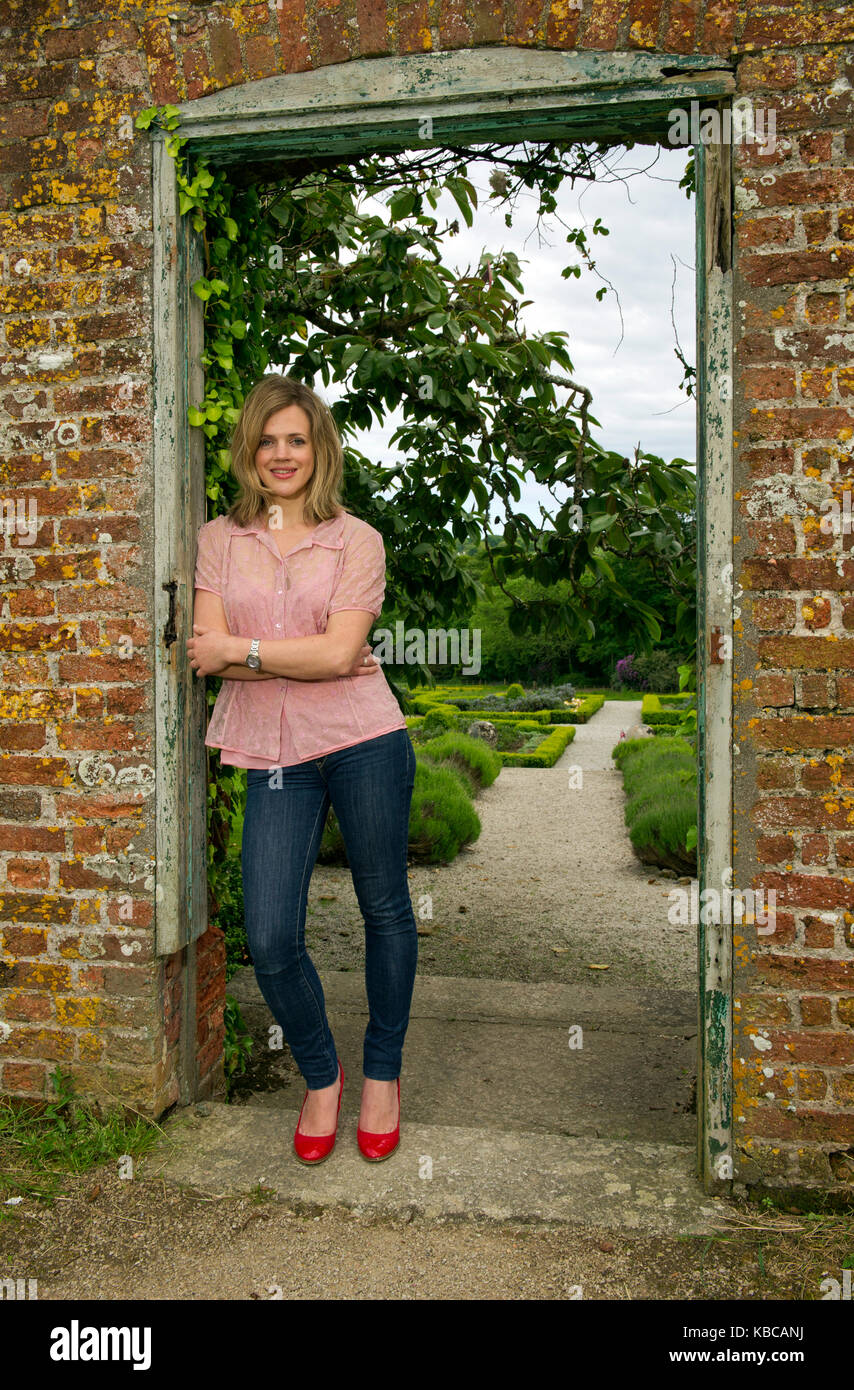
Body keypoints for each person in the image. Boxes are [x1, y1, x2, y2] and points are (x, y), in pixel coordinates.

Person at [187, 373, 418, 1164]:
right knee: (269, 934)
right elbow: (209, 656)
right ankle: (323, 1076)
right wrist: (289, 655)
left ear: (320, 449)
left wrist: (246, 649)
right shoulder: (218, 540)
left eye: (297, 439)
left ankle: (382, 1072)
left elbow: (340, 655)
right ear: (248, 450)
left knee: (384, 908)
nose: (281, 454)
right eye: (267, 440)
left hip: (363, 739)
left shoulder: (358, 541)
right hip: (274, 752)